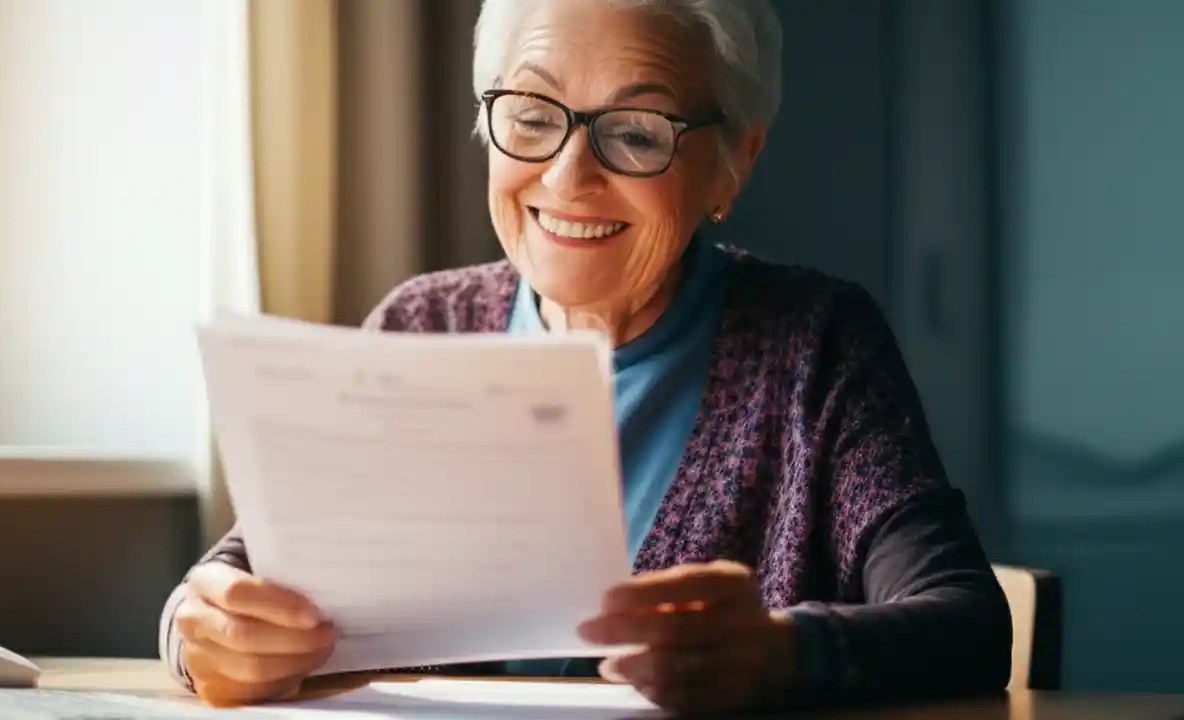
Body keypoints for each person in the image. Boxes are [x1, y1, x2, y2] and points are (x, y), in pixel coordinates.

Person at [159, 0, 1011, 713]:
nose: (568, 178)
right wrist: (202, 636)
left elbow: (969, 623)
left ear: (731, 164)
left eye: (637, 132)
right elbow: (234, 581)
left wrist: (781, 653)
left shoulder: (816, 343)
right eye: (531, 116)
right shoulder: (426, 325)